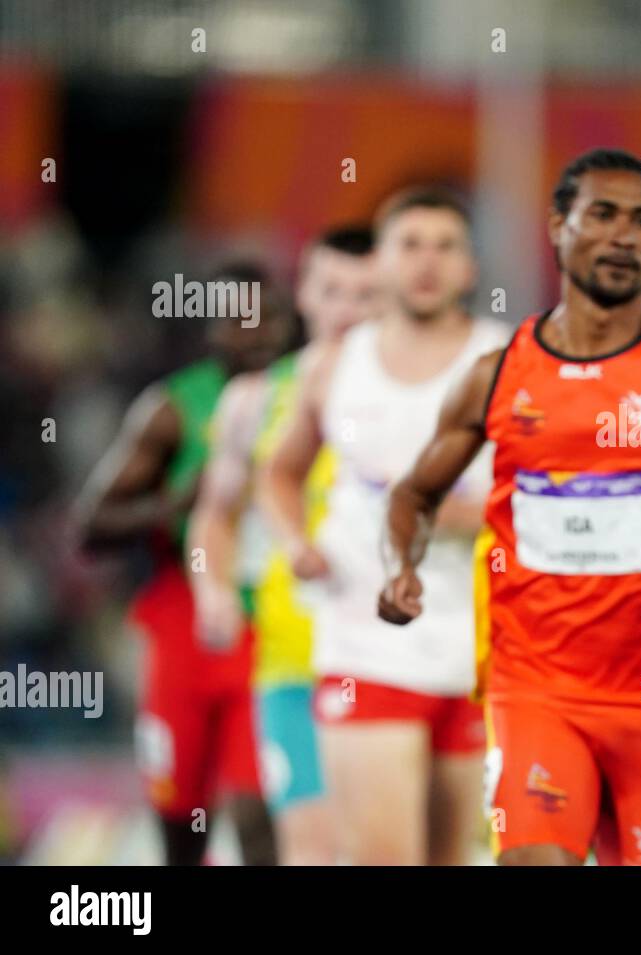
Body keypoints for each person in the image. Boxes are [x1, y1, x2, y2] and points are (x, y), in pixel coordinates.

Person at [379, 149, 641, 866]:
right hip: (535, 685)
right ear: (557, 226)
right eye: (602, 215)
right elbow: (412, 493)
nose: (624, 237)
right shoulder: (499, 372)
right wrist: (403, 566)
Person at [259, 189, 506, 865]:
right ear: (384, 263)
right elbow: (279, 472)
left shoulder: (508, 362)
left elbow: (551, 487)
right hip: (365, 644)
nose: (427, 262)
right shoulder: (333, 365)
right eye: (410, 244)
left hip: (482, 648)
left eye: (445, 245)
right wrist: (295, 542)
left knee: (451, 858)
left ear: (470, 267)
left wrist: (472, 517)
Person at [75, 263, 294, 865]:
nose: (255, 334)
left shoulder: (309, 397)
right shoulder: (174, 408)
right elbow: (89, 526)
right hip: (184, 627)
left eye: (268, 318)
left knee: (258, 808)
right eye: (238, 320)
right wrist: (175, 503)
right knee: (180, 817)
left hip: (273, 626)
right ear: (210, 327)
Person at [187, 227, 379, 864]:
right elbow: (215, 515)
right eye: (332, 291)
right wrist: (211, 588)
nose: (347, 309)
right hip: (293, 665)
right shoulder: (255, 400)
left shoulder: (428, 397)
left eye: (366, 294)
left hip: (400, 662)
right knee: (309, 850)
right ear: (303, 296)